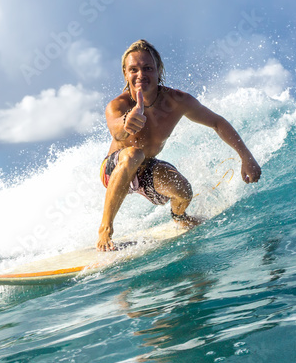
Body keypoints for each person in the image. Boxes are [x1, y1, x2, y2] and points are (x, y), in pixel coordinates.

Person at [97, 39, 262, 251]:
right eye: (133, 69)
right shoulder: (118, 105)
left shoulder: (177, 101)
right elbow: (115, 128)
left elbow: (217, 122)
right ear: (125, 73)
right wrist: (127, 121)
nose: (140, 75)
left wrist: (246, 157)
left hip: (146, 171)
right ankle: (105, 230)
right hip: (114, 171)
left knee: (184, 191)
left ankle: (179, 216)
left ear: (158, 70)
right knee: (133, 154)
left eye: (147, 68)